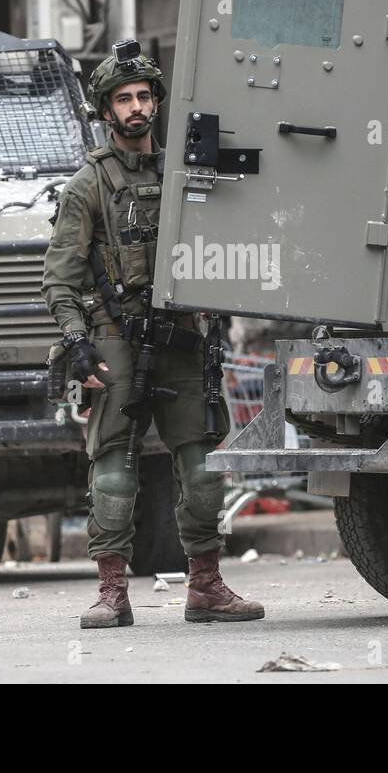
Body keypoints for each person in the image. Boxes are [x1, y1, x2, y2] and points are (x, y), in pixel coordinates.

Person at [41, 40, 265, 629]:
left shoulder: (184, 175)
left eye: (144, 96)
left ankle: (206, 586)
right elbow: (59, 278)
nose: (137, 107)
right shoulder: (87, 186)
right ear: (107, 110)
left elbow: (225, 245)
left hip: (183, 337)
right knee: (114, 468)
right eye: (124, 99)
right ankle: (113, 592)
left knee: (202, 469)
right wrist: (77, 340)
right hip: (116, 337)